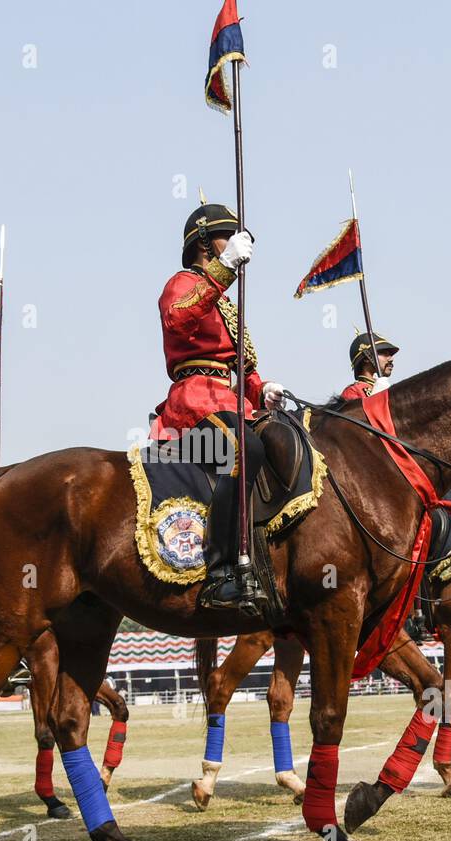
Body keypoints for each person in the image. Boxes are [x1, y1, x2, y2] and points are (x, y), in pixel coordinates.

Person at [152, 203, 286, 611]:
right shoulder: (183, 283)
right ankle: (221, 570)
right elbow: (179, 320)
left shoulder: (225, 302)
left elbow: (239, 364)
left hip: (232, 401)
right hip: (194, 403)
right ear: (207, 243)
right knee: (244, 451)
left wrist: (261, 390)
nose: (238, 244)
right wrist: (224, 269)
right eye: (230, 236)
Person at [340, 333, 399, 401]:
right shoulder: (352, 391)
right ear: (367, 358)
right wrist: (376, 398)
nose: (391, 359)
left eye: (390, 354)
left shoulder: (383, 386)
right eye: (384, 353)